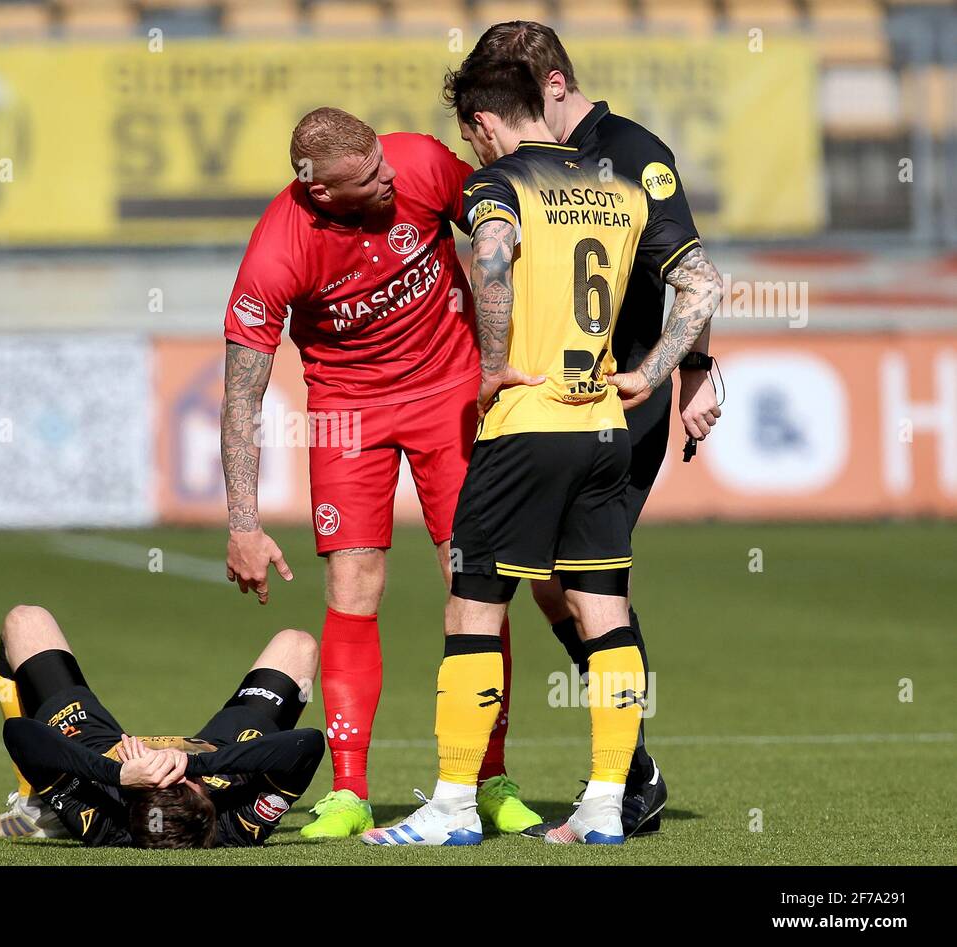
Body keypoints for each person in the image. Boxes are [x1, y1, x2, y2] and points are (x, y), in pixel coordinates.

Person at [365, 54, 721, 847]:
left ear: (484, 124)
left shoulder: (500, 185)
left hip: (527, 423)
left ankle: (453, 804)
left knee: (472, 608)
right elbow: (702, 282)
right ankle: (603, 804)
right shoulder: (616, 184)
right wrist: (654, 373)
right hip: (603, 423)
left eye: (473, 136)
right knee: (604, 614)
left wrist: (491, 367)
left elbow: (491, 259)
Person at [220, 107, 536, 838]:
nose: (389, 176)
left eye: (383, 161)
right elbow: (242, 394)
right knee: (353, 588)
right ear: (322, 191)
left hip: (452, 393)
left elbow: (503, 228)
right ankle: (350, 791)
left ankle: (486, 776)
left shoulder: (420, 163)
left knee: (474, 581)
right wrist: (243, 522)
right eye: (369, 177)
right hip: (345, 411)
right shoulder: (276, 250)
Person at [460, 21, 724, 837]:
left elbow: (693, 270)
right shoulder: (543, 168)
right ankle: (627, 771)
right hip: (569, 398)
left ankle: (628, 775)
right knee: (559, 584)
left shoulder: (632, 152)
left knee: (591, 585)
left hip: (618, 395)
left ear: (552, 86)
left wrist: (684, 371)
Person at [0, 604, 325, 848]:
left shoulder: (102, 820)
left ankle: (37, 805)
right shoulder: (235, 824)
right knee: (298, 645)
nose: (162, 762)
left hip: (102, 756)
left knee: (25, 620)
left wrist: (117, 775)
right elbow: (308, 744)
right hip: (219, 752)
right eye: (187, 783)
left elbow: (19, 733)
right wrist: (195, 763)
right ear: (207, 805)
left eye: (157, 778)